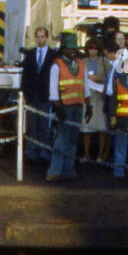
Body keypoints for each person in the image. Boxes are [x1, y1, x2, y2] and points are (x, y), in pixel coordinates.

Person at [45, 33, 85, 182]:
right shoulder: (57, 65)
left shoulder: (81, 64)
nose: (73, 52)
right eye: (70, 49)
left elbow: (84, 83)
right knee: (62, 138)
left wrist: (88, 104)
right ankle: (55, 170)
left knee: (73, 140)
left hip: (78, 105)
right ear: (64, 49)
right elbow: (53, 87)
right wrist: (56, 105)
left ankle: (69, 170)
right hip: (64, 106)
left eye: (74, 49)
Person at [20, 27, 58, 162]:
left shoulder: (54, 55)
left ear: (47, 38)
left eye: (42, 36)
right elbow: (25, 75)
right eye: (38, 36)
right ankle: (31, 153)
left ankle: (45, 153)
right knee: (31, 125)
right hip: (31, 94)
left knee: (44, 125)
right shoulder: (30, 54)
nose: (40, 39)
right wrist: (23, 92)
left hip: (46, 95)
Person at [82, 38, 111, 162]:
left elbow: (110, 77)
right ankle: (86, 153)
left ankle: (100, 154)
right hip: (87, 97)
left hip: (100, 97)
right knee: (86, 127)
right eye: (90, 48)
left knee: (102, 128)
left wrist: (97, 78)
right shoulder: (83, 61)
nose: (92, 51)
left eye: (95, 49)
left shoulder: (104, 61)